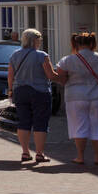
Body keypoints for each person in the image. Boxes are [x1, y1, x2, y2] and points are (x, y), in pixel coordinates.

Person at [54, 32, 98, 166]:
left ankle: (80, 156)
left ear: (75, 44)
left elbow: (61, 79)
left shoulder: (67, 60)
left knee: (79, 126)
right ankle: (97, 157)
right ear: (92, 43)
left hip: (75, 96)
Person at [7, 28, 59, 165]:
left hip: (20, 91)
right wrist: (65, 76)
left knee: (23, 121)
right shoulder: (42, 56)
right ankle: (40, 154)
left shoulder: (15, 55)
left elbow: (10, 75)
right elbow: (51, 75)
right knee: (40, 123)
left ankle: (25, 152)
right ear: (35, 40)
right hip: (40, 92)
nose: (40, 42)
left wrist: (10, 90)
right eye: (39, 39)